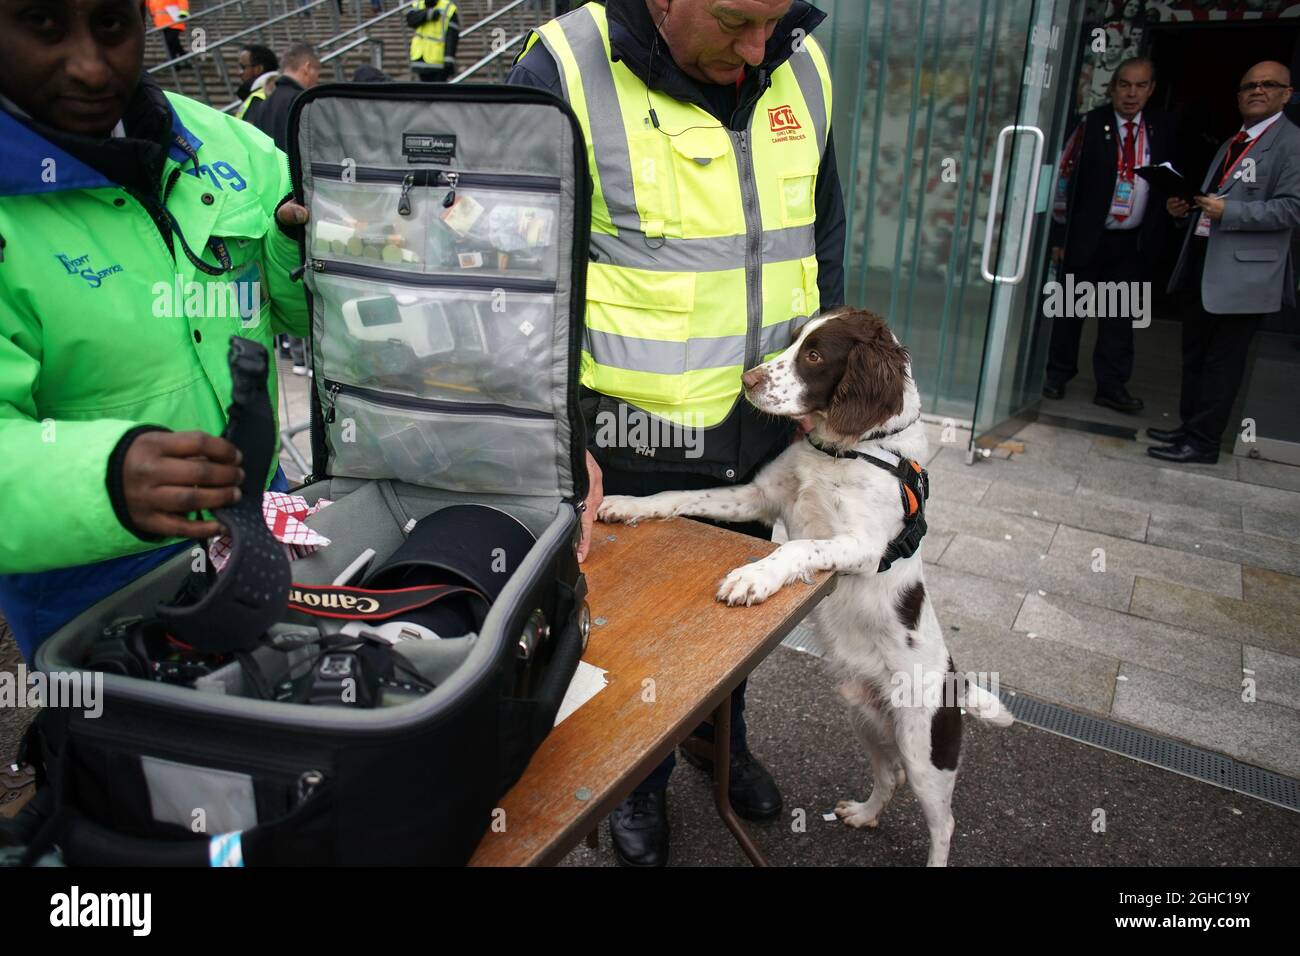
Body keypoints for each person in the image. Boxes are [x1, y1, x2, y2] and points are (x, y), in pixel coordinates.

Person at [508, 0, 845, 867]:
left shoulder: (798, 59)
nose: (759, 46)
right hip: (630, 433)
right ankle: (640, 779)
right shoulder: (565, 68)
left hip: (764, 426)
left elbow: (823, 224)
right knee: (632, 633)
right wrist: (556, 434)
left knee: (734, 609)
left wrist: (823, 382)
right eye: (736, 21)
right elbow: (515, 271)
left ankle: (719, 737)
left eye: (772, 19)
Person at [0, 0, 311, 662]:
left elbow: (305, 322)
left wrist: (294, 246)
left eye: (112, 25)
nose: (88, 67)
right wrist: (105, 478)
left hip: (262, 523)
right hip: (88, 588)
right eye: (44, 24)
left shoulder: (232, 146)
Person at [1152, 60, 1300, 464]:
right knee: (1196, 354)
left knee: (1223, 363)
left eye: (1268, 84)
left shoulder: (1291, 143)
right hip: (1206, 261)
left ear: (1287, 94)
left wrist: (1228, 212)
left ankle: (1203, 443)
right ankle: (1188, 428)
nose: (1257, 90)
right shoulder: (1233, 141)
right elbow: (1216, 197)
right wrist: (1187, 206)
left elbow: (1292, 209)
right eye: (1249, 85)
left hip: (1246, 275)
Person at [1045, 57, 1174, 413]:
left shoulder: (1161, 127)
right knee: (1070, 311)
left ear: (1151, 89)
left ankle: (1111, 386)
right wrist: (1059, 236)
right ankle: (1057, 374)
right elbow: (1063, 181)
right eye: (1125, 85)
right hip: (1088, 236)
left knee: (1119, 316)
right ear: (1113, 88)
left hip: (1131, 242)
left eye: (1140, 86)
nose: (1131, 93)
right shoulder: (1091, 124)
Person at [252, 42, 320, 375]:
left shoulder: (260, 104)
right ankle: (306, 358)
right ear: (306, 68)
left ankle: (291, 354)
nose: (315, 79)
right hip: (293, 214)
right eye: (316, 72)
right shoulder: (302, 105)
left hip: (258, 217)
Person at [407, 0, 459, 82]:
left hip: (438, 61)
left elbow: (452, 37)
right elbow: (410, 20)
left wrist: (449, 60)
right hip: (419, 58)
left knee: (437, 92)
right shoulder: (417, 3)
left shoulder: (449, 7)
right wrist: (428, 14)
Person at [235, 43, 279, 123]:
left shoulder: (259, 98)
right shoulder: (278, 90)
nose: (239, 72)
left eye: (243, 67)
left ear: (259, 69)